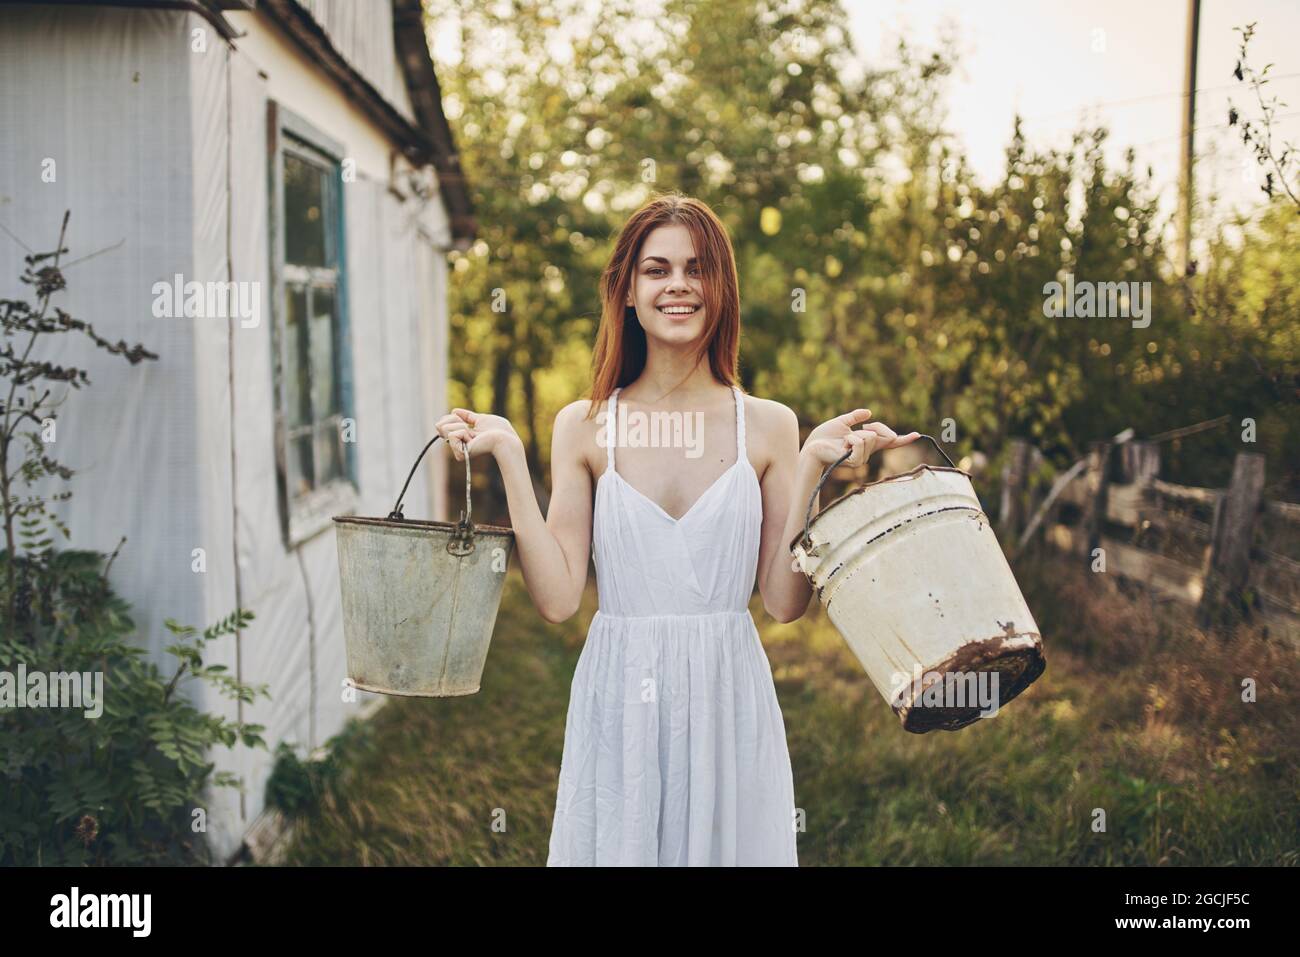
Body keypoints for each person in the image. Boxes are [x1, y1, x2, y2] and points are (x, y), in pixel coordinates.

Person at [436, 193, 920, 866]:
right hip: (620, 695)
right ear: (628, 291)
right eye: (657, 269)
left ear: (721, 288)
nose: (679, 285)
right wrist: (511, 457)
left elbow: (783, 602)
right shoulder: (585, 423)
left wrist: (812, 463)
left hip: (728, 693)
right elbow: (556, 598)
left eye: (697, 268)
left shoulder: (772, 426)